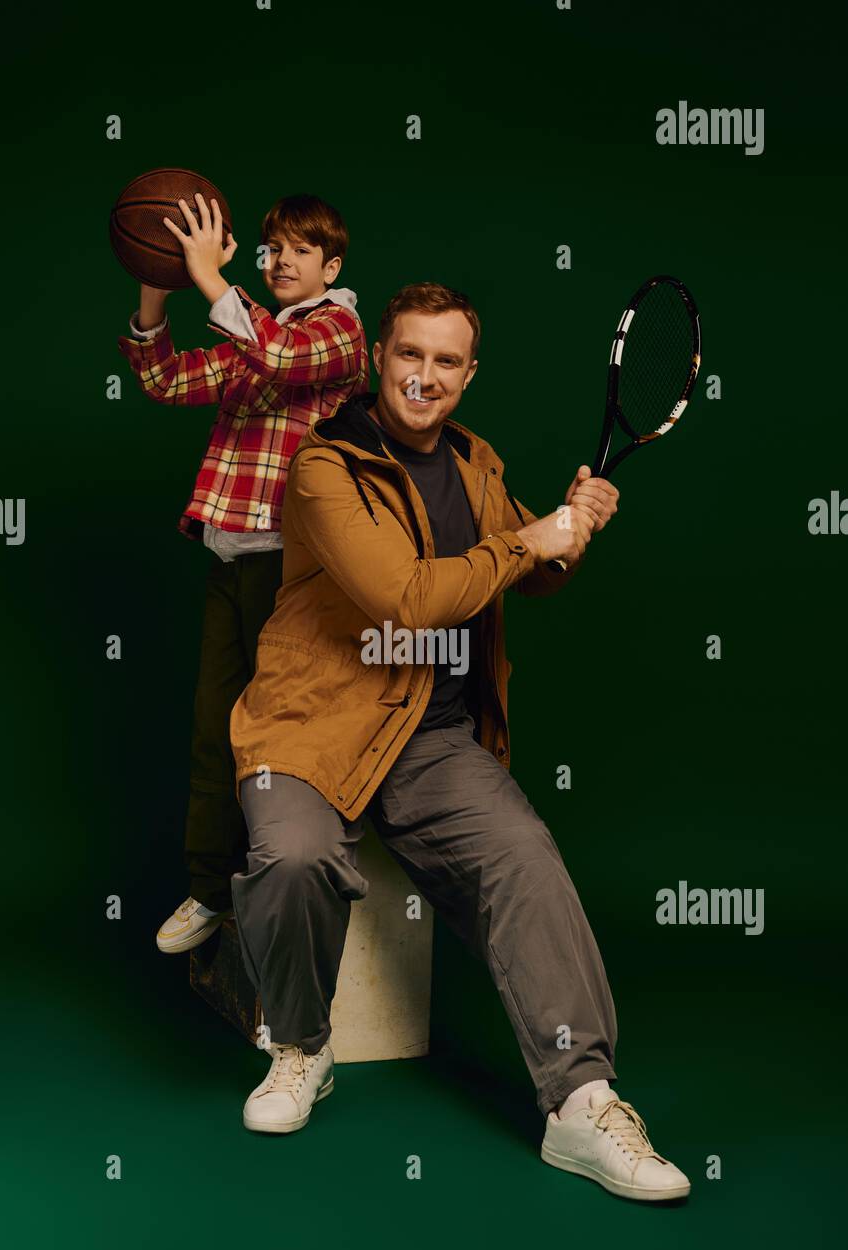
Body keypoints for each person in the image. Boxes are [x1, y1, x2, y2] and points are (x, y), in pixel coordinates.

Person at [228, 282, 690, 1203]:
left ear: (469, 374)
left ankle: (582, 1105)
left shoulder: (477, 463)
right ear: (378, 361)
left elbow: (523, 577)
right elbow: (407, 596)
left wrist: (570, 539)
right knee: (291, 857)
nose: (425, 377)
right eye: (410, 356)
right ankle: (301, 1048)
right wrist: (532, 540)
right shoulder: (326, 468)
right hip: (312, 717)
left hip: (428, 732)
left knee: (523, 853)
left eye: (447, 361)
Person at [118, 193, 369, 953]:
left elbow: (285, 359)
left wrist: (207, 277)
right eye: (272, 249)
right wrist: (157, 286)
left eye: (301, 250)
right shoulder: (252, 335)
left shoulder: (338, 331)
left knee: (276, 741)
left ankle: (279, 904)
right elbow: (165, 379)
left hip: (290, 575)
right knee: (212, 731)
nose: (281, 261)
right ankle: (207, 891)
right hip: (229, 565)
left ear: (331, 268)